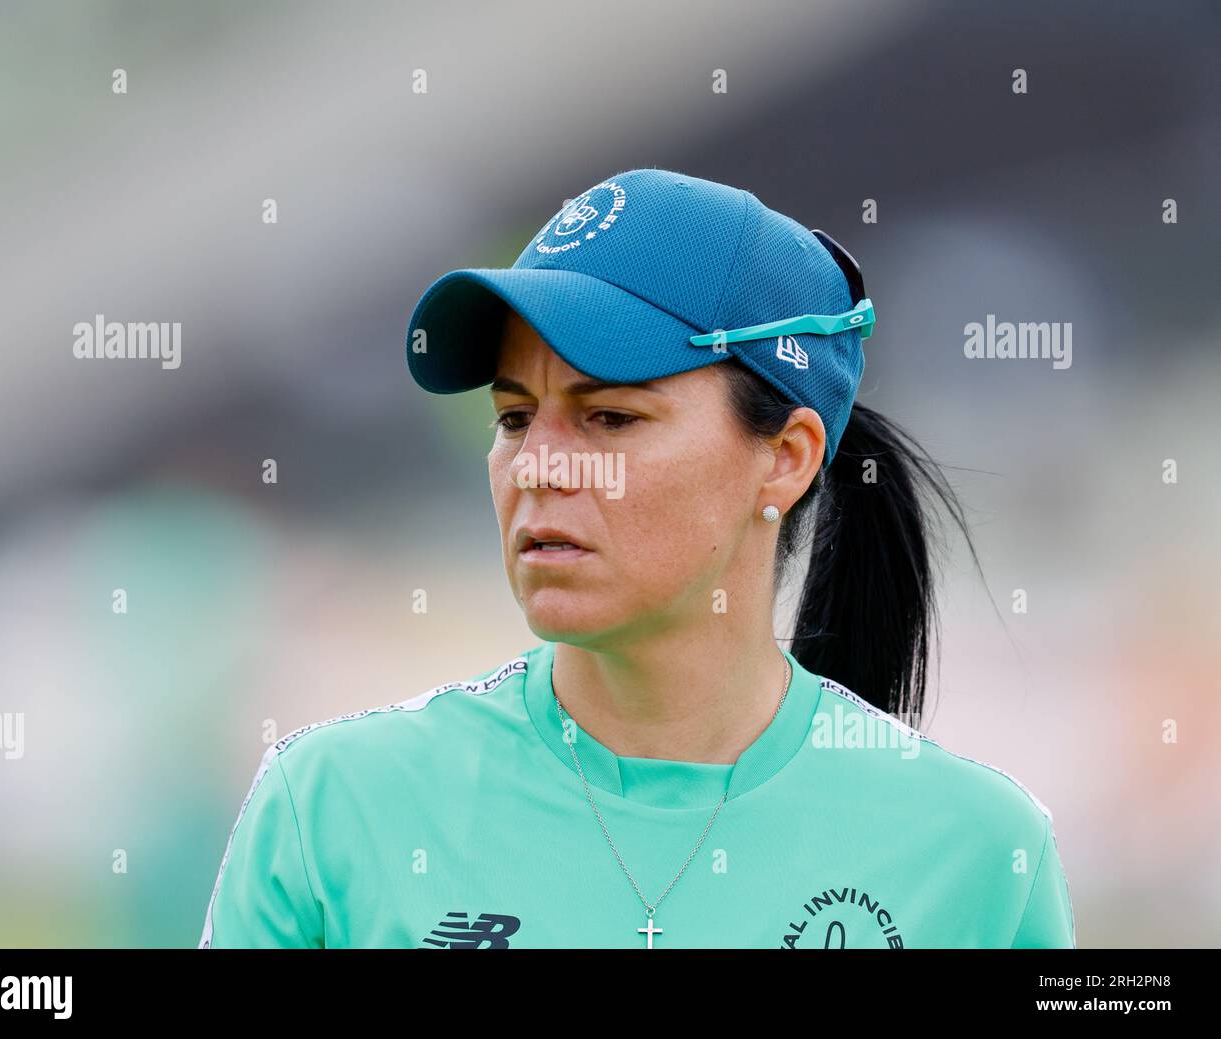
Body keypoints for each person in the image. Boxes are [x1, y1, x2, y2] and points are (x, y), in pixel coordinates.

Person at [199, 167, 1076, 949]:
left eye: (609, 417)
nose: (538, 465)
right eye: (512, 417)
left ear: (787, 455)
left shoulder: (978, 855)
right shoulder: (331, 812)